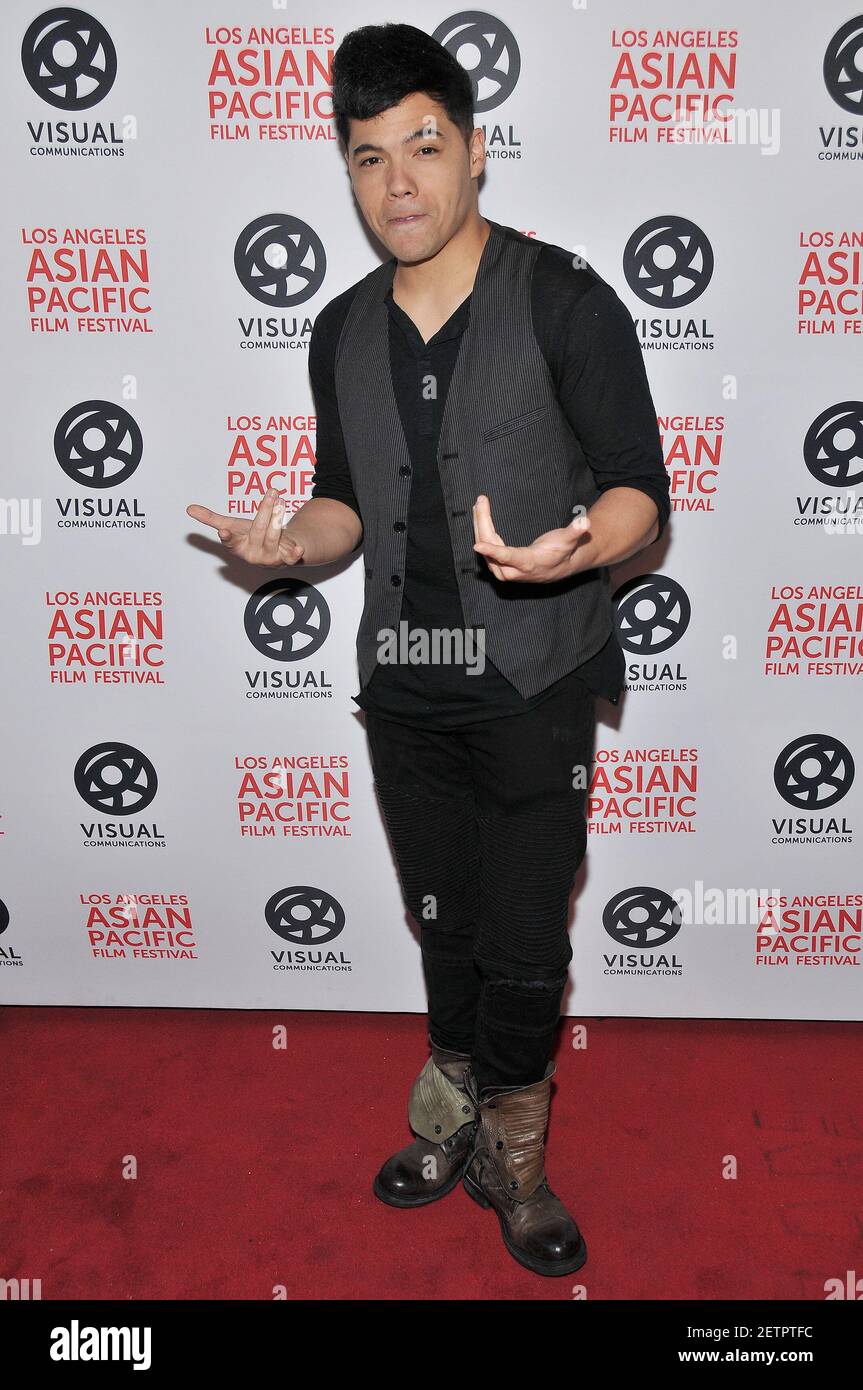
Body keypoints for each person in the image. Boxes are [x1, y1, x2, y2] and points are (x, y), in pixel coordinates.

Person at [188, 22, 670, 1279]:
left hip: (532, 684)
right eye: (366, 157)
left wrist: (583, 550)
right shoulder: (337, 330)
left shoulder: (566, 298)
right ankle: (453, 1115)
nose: (397, 182)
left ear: (474, 152)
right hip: (402, 688)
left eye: (422, 146)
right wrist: (293, 538)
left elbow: (637, 491)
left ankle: (516, 1150)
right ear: (344, 174)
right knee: (441, 924)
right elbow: (346, 497)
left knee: (524, 940)